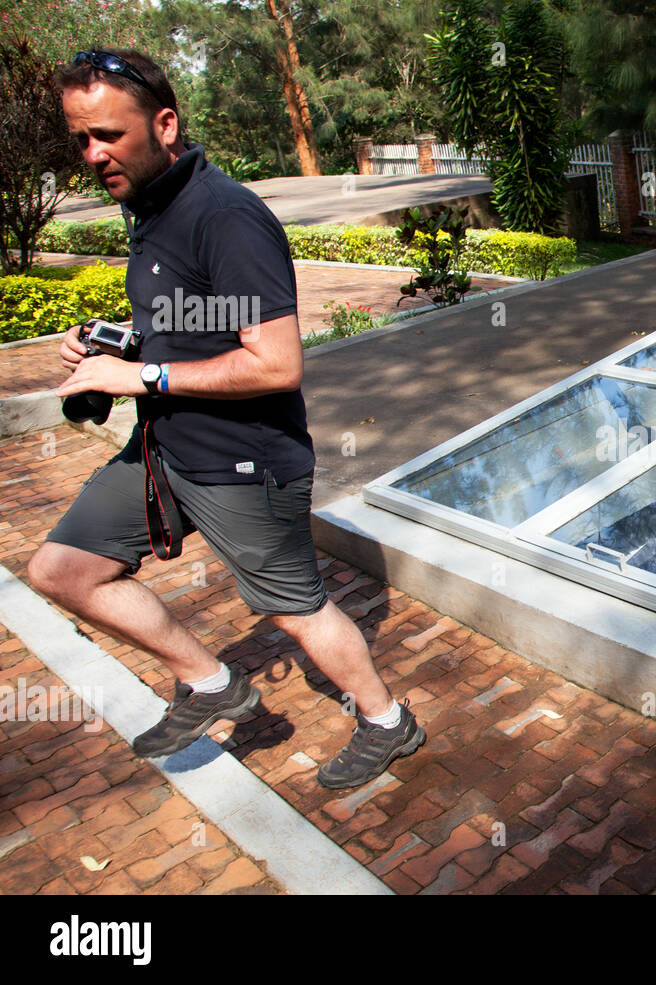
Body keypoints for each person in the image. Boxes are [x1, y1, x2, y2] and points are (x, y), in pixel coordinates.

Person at [27, 48, 424, 790]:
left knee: (295, 611)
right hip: (168, 447)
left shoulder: (226, 216)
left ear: (165, 123)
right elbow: (190, 317)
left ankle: (386, 720)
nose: (92, 154)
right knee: (61, 569)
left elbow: (275, 362)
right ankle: (210, 682)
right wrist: (116, 337)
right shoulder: (149, 206)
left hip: (247, 460)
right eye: (81, 138)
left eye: (108, 134)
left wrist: (138, 373)